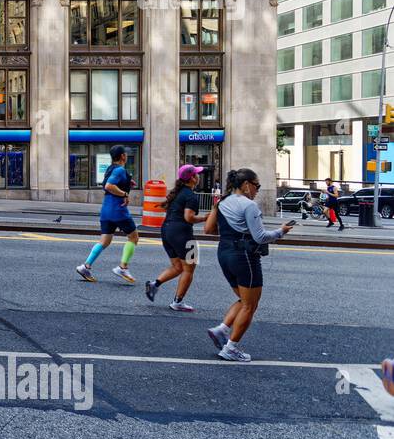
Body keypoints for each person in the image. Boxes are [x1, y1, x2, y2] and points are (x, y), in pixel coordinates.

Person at [202, 167, 294, 363]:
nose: (257, 190)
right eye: (256, 186)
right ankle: (231, 348)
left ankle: (222, 330)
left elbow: (208, 229)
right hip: (244, 256)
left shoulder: (223, 202)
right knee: (250, 304)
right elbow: (260, 237)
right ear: (245, 185)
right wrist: (281, 231)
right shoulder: (249, 206)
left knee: (243, 300)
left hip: (224, 253)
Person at [76, 145, 140, 284]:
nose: (126, 156)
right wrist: (125, 193)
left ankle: (85, 267)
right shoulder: (119, 170)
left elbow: (109, 183)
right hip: (118, 210)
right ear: (123, 156)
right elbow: (109, 186)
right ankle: (123, 267)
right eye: (125, 154)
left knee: (105, 241)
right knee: (133, 237)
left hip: (106, 210)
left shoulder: (110, 169)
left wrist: (128, 183)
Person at [144, 164, 203, 311]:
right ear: (192, 178)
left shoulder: (177, 192)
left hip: (167, 231)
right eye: (197, 173)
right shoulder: (190, 196)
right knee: (189, 269)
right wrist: (206, 218)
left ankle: (154, 284)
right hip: (183, 233)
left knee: (177, 267)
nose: (199, 176)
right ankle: (177, 302)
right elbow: (188, 217)